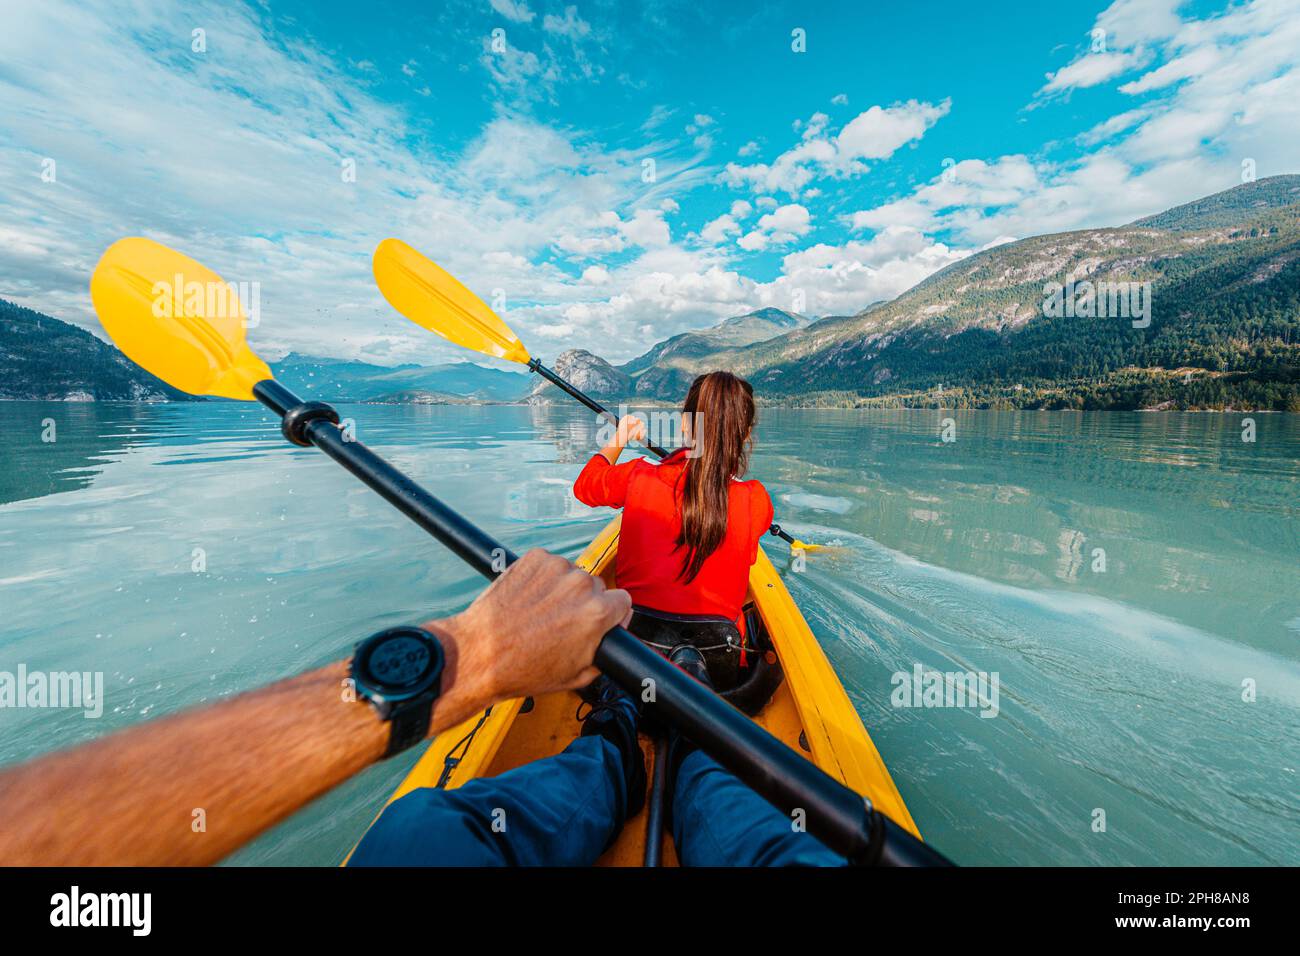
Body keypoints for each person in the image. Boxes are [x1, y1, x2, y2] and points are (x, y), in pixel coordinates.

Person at [351, 372, 843, 866]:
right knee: (712, 762)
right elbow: (727, 513)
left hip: (630, 661)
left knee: (416, 836)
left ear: (686, 426)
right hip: (714, 674)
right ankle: (698, 754)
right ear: (745, 435)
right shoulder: (757, 500)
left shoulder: (639, 478)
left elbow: (587, 486)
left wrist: (619, 441)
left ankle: (614, 745)